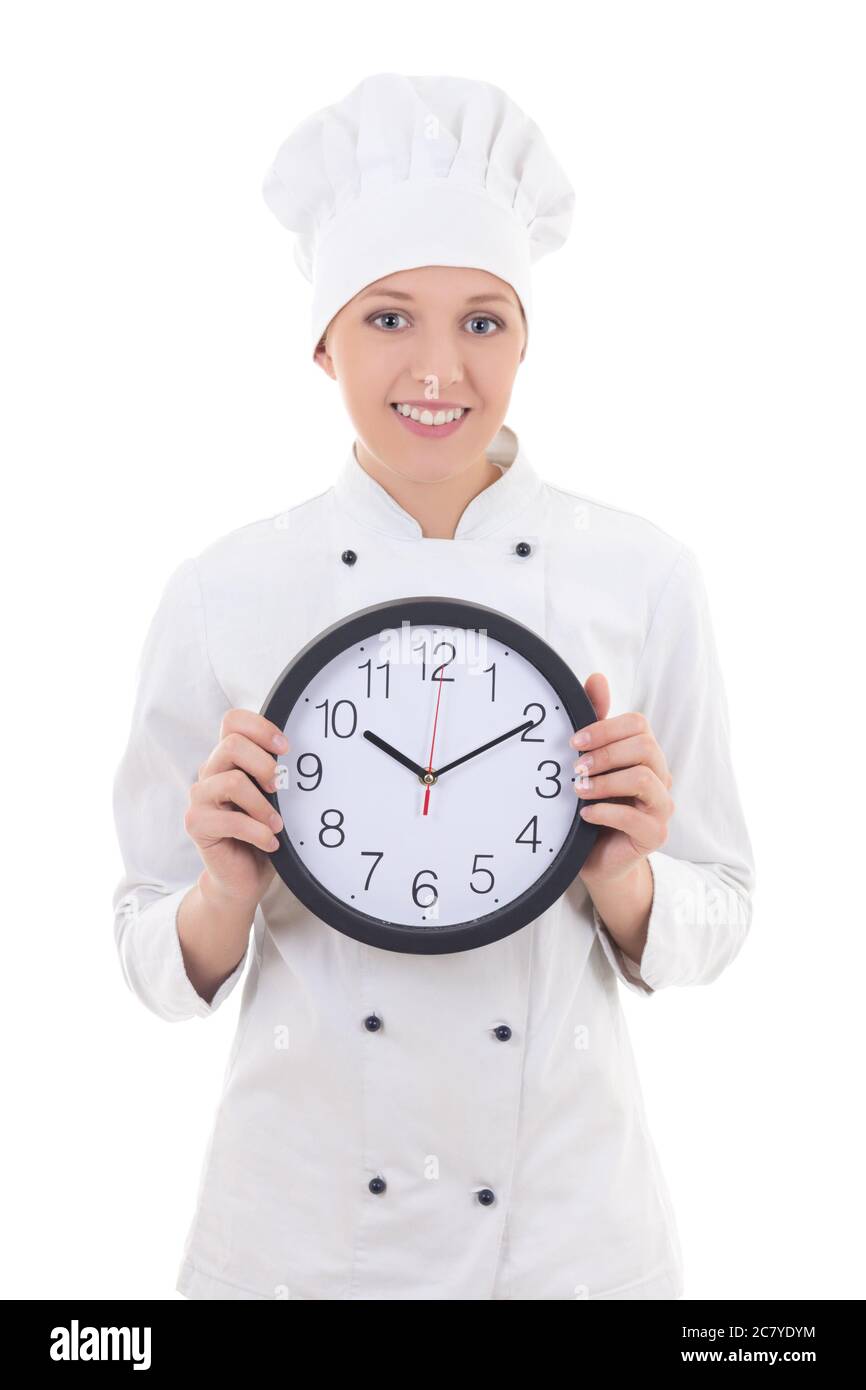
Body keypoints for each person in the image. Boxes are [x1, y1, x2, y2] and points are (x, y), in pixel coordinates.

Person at [111, 73, 755, 1301]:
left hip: (566, 1238)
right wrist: (219, 893)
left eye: (483, 322)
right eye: (390, 318)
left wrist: (621, 875)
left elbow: (721, 901)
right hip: (294, 1237)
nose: (439, 370)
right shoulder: (225, 589)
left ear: (525, 339)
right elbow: (146, 948)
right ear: (323, 340)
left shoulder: (641, 573)